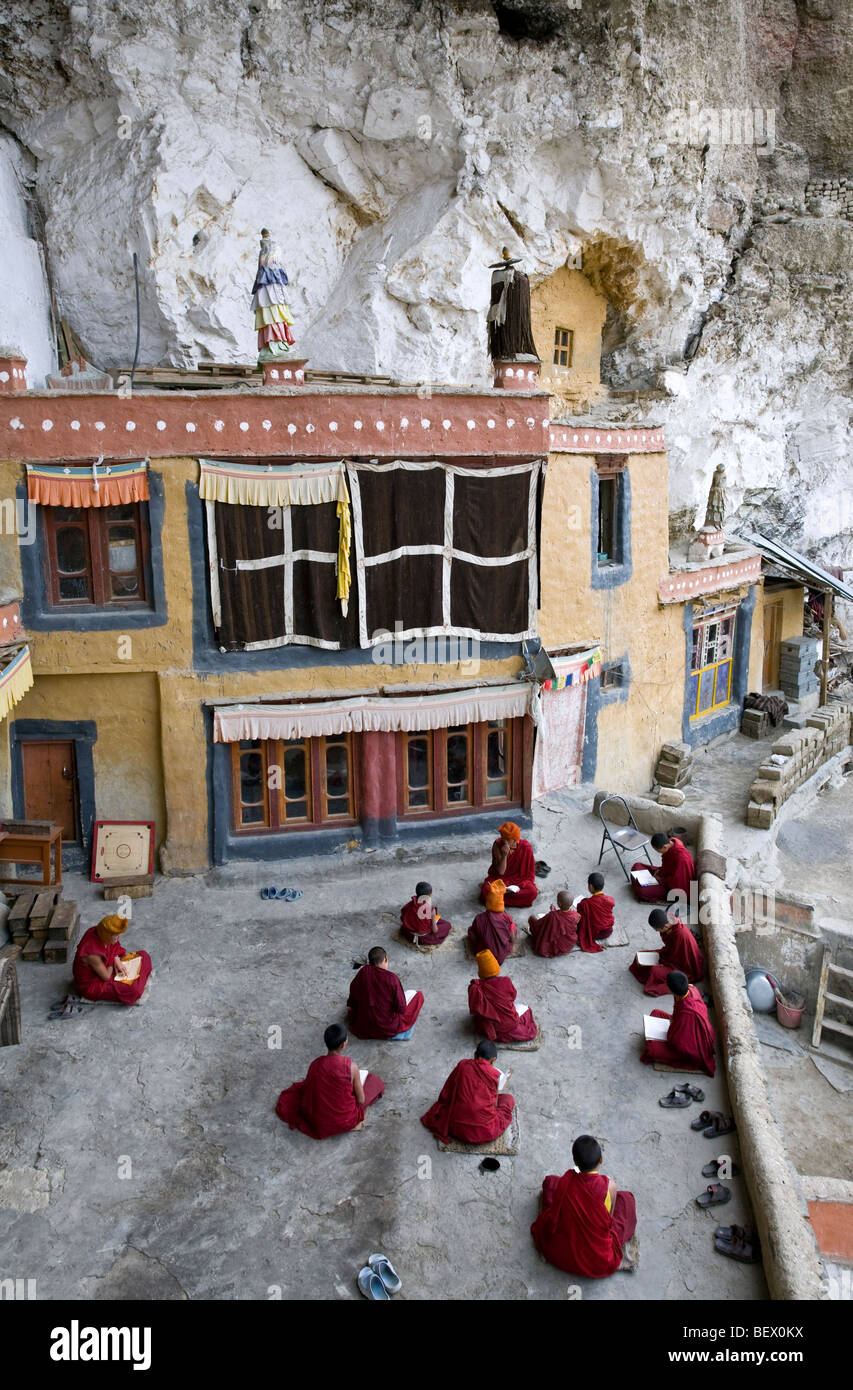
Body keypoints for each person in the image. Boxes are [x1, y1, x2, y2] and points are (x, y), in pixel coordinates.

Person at [530, 1134, 637, 1279]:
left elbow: (556, 1213)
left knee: (551, 1183)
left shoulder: (565, 1181)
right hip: (599, 1260)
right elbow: (609, 1222)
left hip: (562, 1253)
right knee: (626, 1199)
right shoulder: (609, 1187)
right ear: (601, 1159)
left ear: (575, 1161)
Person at [275, 1023, 384, 1139]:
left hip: (318, 1119)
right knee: (375, 1082)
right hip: (345, 1120)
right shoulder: (351, 1067)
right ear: (343, 1044)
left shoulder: (316, 1064)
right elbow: (361, 1099)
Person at [421, 1040, 514, 1145]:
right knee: (508, 1099)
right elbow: (495, 1105)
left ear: (475, 1054)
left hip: (456, 1127)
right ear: (493, 1061)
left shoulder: (463, 1065)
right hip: (483, 1132)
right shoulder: (493, 1076)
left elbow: (448, 1092)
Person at [641, 970, 716, 1077]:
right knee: (655, 1013)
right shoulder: (691, 989)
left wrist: (671, 1029)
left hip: (693, 1047)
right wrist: (673, 1022)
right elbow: (677, 1014)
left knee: (652, 1049)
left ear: (672, 991)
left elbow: (678, 1042)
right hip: (685, 1027)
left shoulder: (687, 1013)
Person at [72, 914, 152, 1005]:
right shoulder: (93, 954)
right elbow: (106, 977)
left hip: (106, 967)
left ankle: (136, 979)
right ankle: (137, 981)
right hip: (94, 983)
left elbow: (113, 948)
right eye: (116, 936)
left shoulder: (100, 931)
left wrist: (116, 959)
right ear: (107, 936)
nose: (118, 938)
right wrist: (112, 962)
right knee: (134, 991)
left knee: (143, 955)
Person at [347, 946, 424, 1040]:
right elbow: (401, 1008)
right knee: (418, 995)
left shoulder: (363, 972)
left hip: (365, 1024)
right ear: (385, 959)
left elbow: (353, 997)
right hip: (386, 1027)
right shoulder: (392, 979)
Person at [629, 908, 704, 997]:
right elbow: (670, 950)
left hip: (686, 967)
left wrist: (660, 960)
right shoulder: (669, 919)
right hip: (672, 954)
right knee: (641, 955)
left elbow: (676, 958)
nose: (657, 932)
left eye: (657, 930)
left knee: (654, 971)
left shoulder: (680, 934)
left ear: (665, 927)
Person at [467, 949, 537, 1043]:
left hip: (488, 1026)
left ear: (481, 972)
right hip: (510, 1023)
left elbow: (475, 1009)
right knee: (526, 1009)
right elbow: (513, 997)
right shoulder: (506, 981)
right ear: (496, 967)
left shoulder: (475, 988)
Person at [481, 821, 539, 908]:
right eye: (503, 838)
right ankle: (502, 897)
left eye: (508, 839)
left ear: (515, 839)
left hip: (518, 880)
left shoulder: (526, 847)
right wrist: (504, 855)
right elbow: (501, 872)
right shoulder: (497, 845)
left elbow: (529, 874)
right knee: (486, 891)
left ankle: (497, 899)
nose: (504, 841)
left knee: (532, 892)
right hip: (500, 879)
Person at [632, 832, 695, 905]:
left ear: (665, 847)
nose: (659, 853)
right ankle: (643, 883)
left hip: (673, 887)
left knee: (641, 891)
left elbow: (678, 882)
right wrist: (659, 871)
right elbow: (666, 866)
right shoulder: (672, 842)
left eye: (658, 851)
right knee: (637, 866)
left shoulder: (682, 859)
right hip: (664, 874)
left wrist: (660, 879)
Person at [468, 880, 517, 965]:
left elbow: (474, 937)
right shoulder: (507, 918)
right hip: (502, 955)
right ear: (502, 904)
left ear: (488, 902)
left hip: (484, 954)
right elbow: (512, 939)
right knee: (513, 928)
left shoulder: (479, 918)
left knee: (470, 930)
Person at [527, 891, 581, 958]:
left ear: (559, 904)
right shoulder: (576, 915)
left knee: (532, 919)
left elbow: (541, 924)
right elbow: (567, 923)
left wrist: (533, 920)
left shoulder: (552, 916)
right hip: (568, 943)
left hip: (555, 946)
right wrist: (554, 911)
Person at [399, 881, 452, 947]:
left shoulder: (410, 904)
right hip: (423, 937)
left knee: (437, 920)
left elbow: (402, 917)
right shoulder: (431, 909)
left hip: (409, 934)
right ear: (430, 895)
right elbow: (435, 930)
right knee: (447, 925)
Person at [575, 873, 615, 953]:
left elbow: (580, 917)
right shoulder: (610, 899)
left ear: (590, 886)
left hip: (596, 933)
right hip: (608, 931)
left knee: (576, 923)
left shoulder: (585, 903)